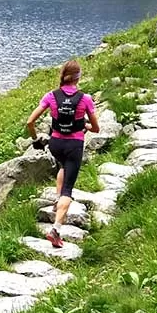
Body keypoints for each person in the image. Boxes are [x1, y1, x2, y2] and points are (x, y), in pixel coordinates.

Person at [25, 59, 100, 248]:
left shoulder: (51, 96)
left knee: (62, 166)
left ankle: (58, 200)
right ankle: (56, 229)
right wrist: (84, 125)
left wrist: (35, 140)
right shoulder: (85, 99)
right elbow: (96, 128)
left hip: (56, 143)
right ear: (78, 77)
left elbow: (30, 122)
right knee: (69, 190)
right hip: (74, 145)